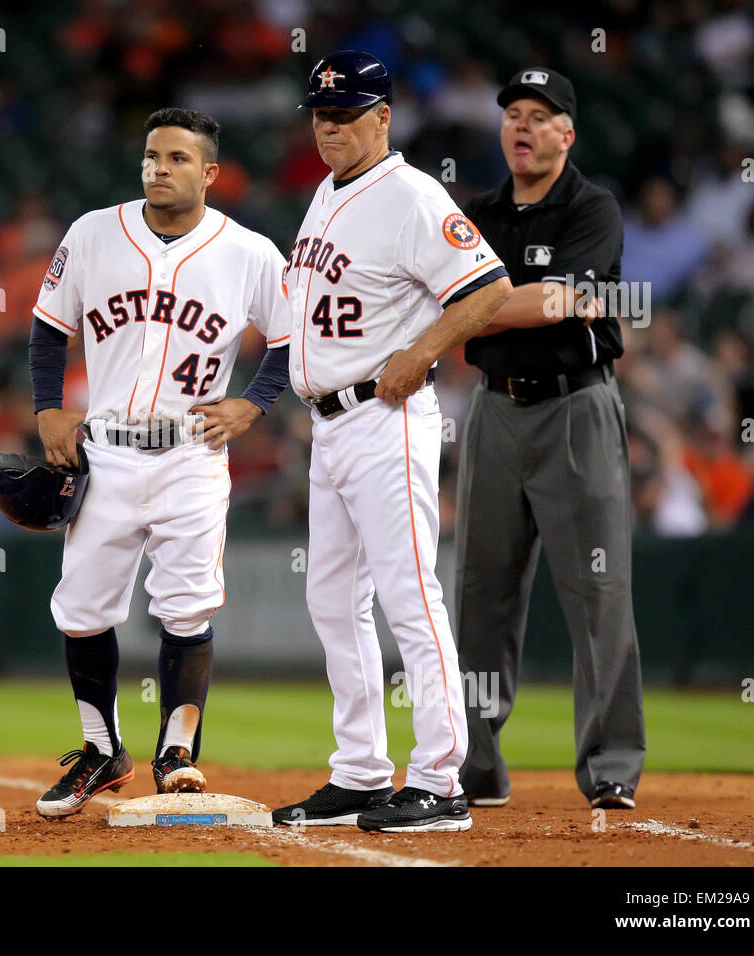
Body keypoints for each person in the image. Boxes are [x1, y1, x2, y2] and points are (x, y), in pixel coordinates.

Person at [28, 107, 292, 818]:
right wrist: (47, 407)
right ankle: (101, 749)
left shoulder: (250, 252)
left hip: (192, 454)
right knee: (81, 611)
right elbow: (49, 327)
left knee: (187, 608)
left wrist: (254, 404)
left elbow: (293, 340)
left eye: (177, 158)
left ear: (209, 172)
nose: (159, 168)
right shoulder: (91, 233)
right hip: (105, 452)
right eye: (151, 155)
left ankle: (178, 749)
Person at [272, 52, 511, 833]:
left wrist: (422, 351)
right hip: (329, 426)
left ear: (384, 118)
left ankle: (441, 780)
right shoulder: (325, 191)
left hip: (386, 415)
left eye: (346, 116)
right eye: (321, 115)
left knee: (410, 597)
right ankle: (362, 772)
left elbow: (489, 288)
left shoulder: (411, 194)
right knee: (332, 601)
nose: (330, 128)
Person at [455, 67, 645, 811]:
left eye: (540, 116)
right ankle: (476, 762)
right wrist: (511, 304)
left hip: (577, 411)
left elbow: (563, 300)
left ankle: (611, 767)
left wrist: (478, 305)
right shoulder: (480, 211)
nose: (522, 127)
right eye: (512, 115)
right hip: (494, 411)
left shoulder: (592, 208)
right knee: (480, 596)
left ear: (568, 133)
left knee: (598, 591)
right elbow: (507, 303)